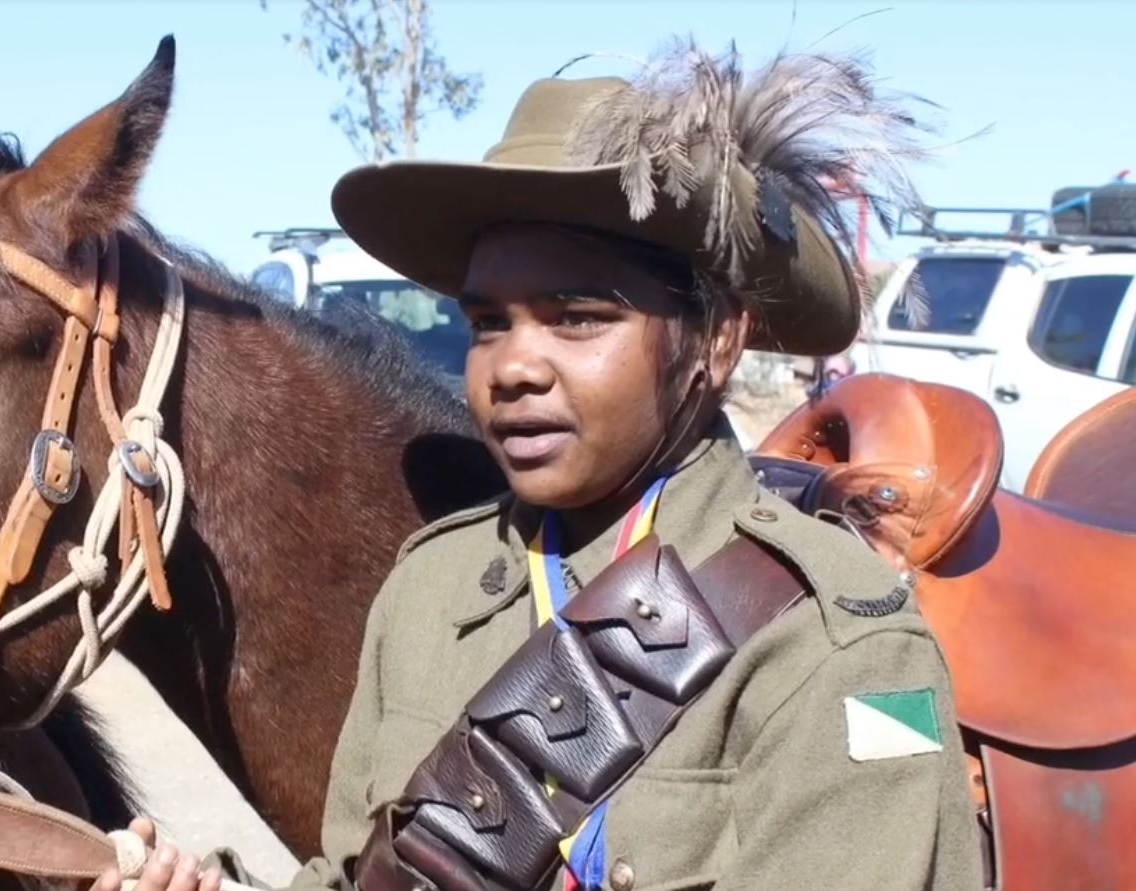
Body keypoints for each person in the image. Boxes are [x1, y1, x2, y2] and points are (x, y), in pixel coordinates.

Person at [101, 40, 983, 891]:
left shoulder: (828, 645)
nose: (513, 365)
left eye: (578, 317)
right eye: (490, 323)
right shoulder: (431, 594)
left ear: (715, 339)